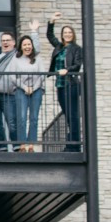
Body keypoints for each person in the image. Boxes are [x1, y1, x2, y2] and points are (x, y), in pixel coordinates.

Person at [45, 12, 84, 151]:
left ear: (73, 35)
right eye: (65, 32)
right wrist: (51, 21)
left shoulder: (76, 49)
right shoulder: (60, 47)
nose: (67, 34)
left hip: (71, 84)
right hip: (60, 85)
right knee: (67, 114)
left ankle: (74, 146)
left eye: (69, 32)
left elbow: (78, 64)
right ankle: (71, 143)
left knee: (72, 115)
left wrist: (67, 69)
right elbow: (50, 36)